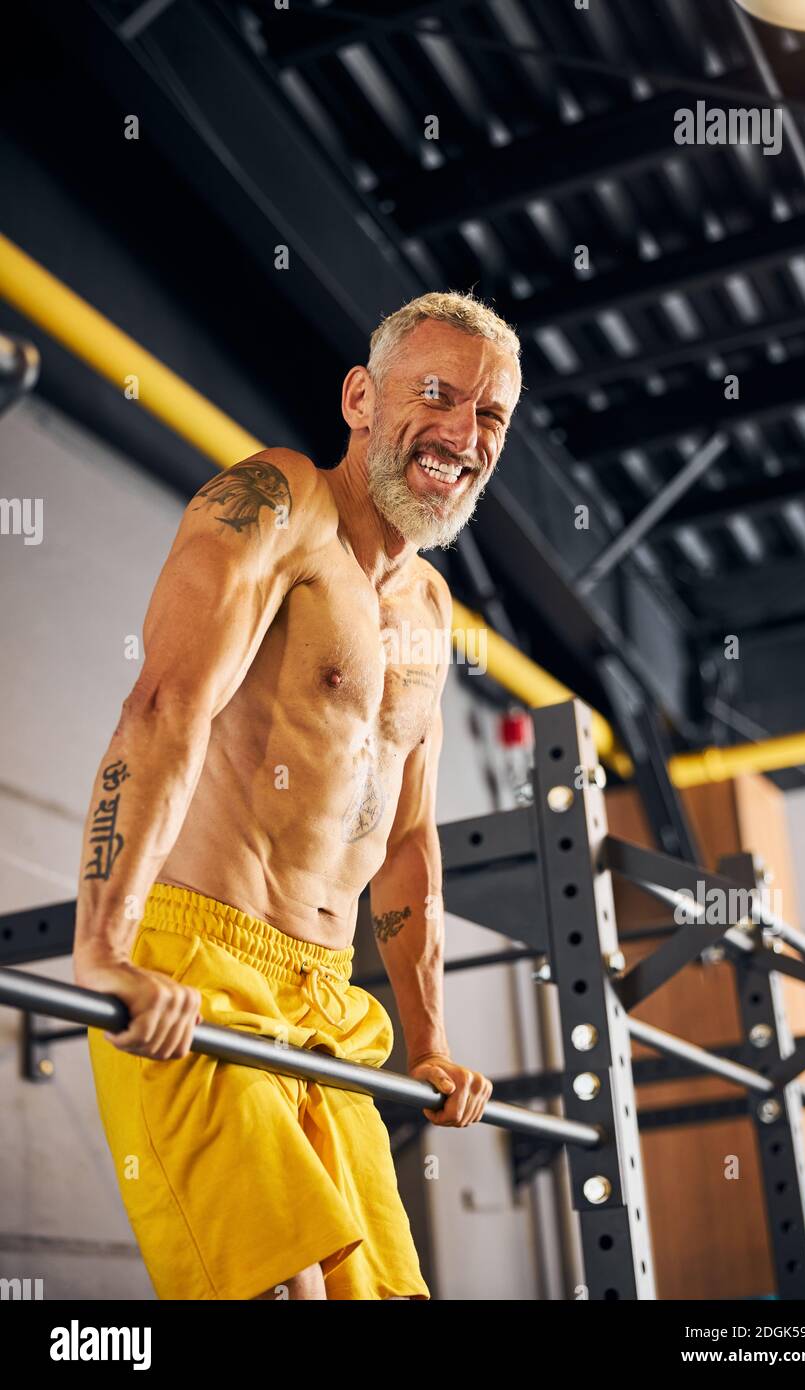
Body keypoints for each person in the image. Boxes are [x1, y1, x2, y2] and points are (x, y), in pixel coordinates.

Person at [73, 290, 523, 1301]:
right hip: (199, 965)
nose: (460, 433)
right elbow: (163, 707)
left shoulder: (430, 606)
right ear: (361, 397)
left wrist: (431, 1039)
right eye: (437, 394)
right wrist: (103, 947)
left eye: (487, 417)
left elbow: (408, 838)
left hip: (328, 999)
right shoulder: (276, 502)